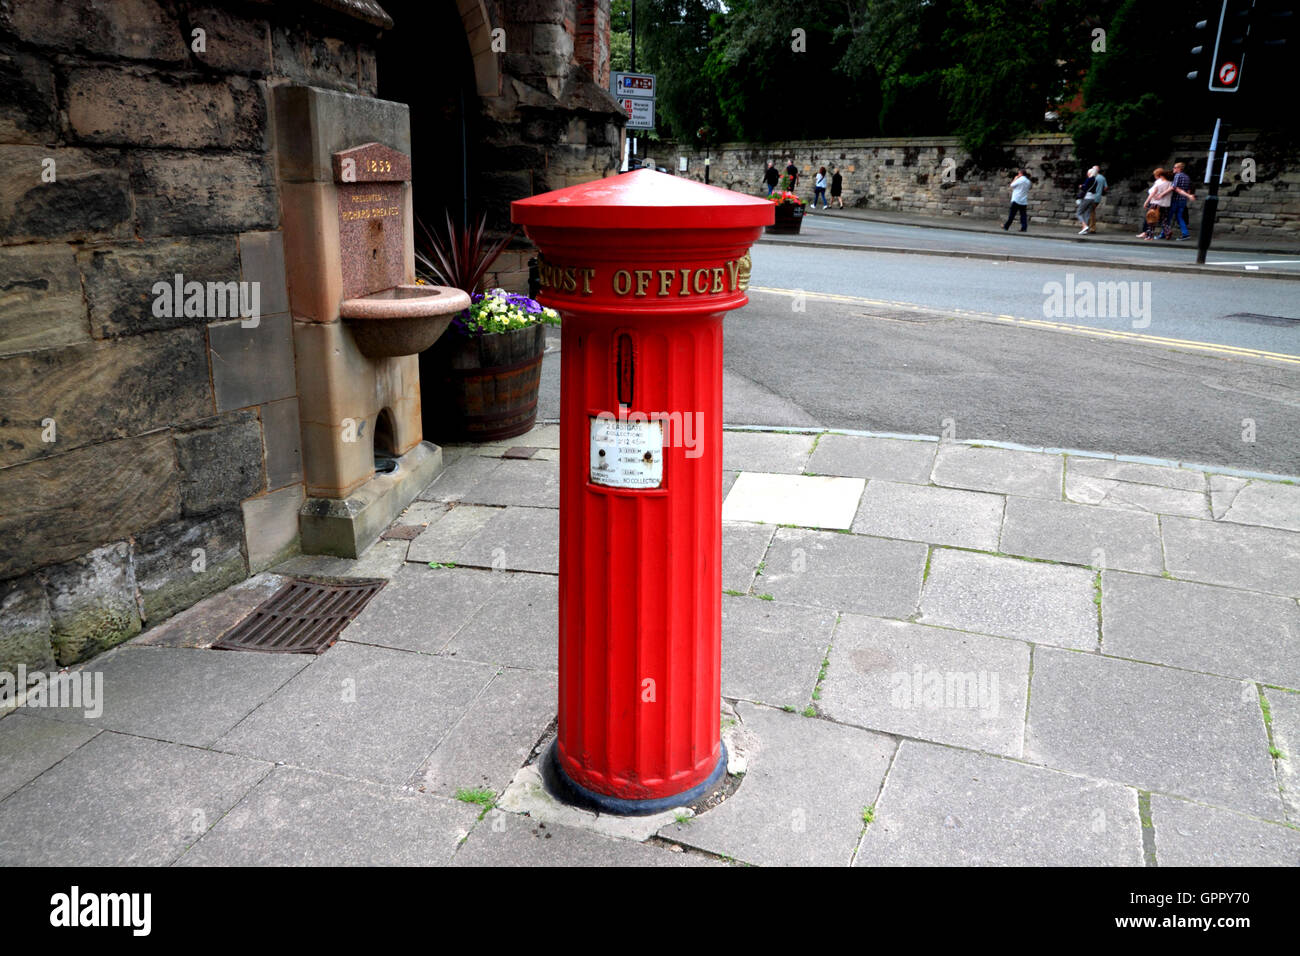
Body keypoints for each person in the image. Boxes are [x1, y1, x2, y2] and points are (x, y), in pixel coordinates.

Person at [1075, 165, 1106, 235]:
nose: (1087, 174)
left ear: (1089, 173)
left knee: (1079, 213)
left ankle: (1085, 226)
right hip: (1093, 198)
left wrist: (1081, 186)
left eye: (1088, 173)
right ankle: (1085, 230)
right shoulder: (1095, 180)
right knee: (1087, 214)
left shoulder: (1089, 179)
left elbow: (1085, 188)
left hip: (1087, 197)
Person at [1168, 161, 1194, 240]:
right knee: (1180, 217)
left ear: (1179, 168)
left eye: (1175, 167)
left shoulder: (1177, 176)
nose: (1173, 169)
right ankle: (1185, 234)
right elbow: (1189, 189)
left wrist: (1162, 194)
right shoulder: (1187, 177)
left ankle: (1164, 233)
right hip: (1183, 200)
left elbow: (1174, 187)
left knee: (1168, 217)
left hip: (1176, 200)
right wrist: (1187, 197)